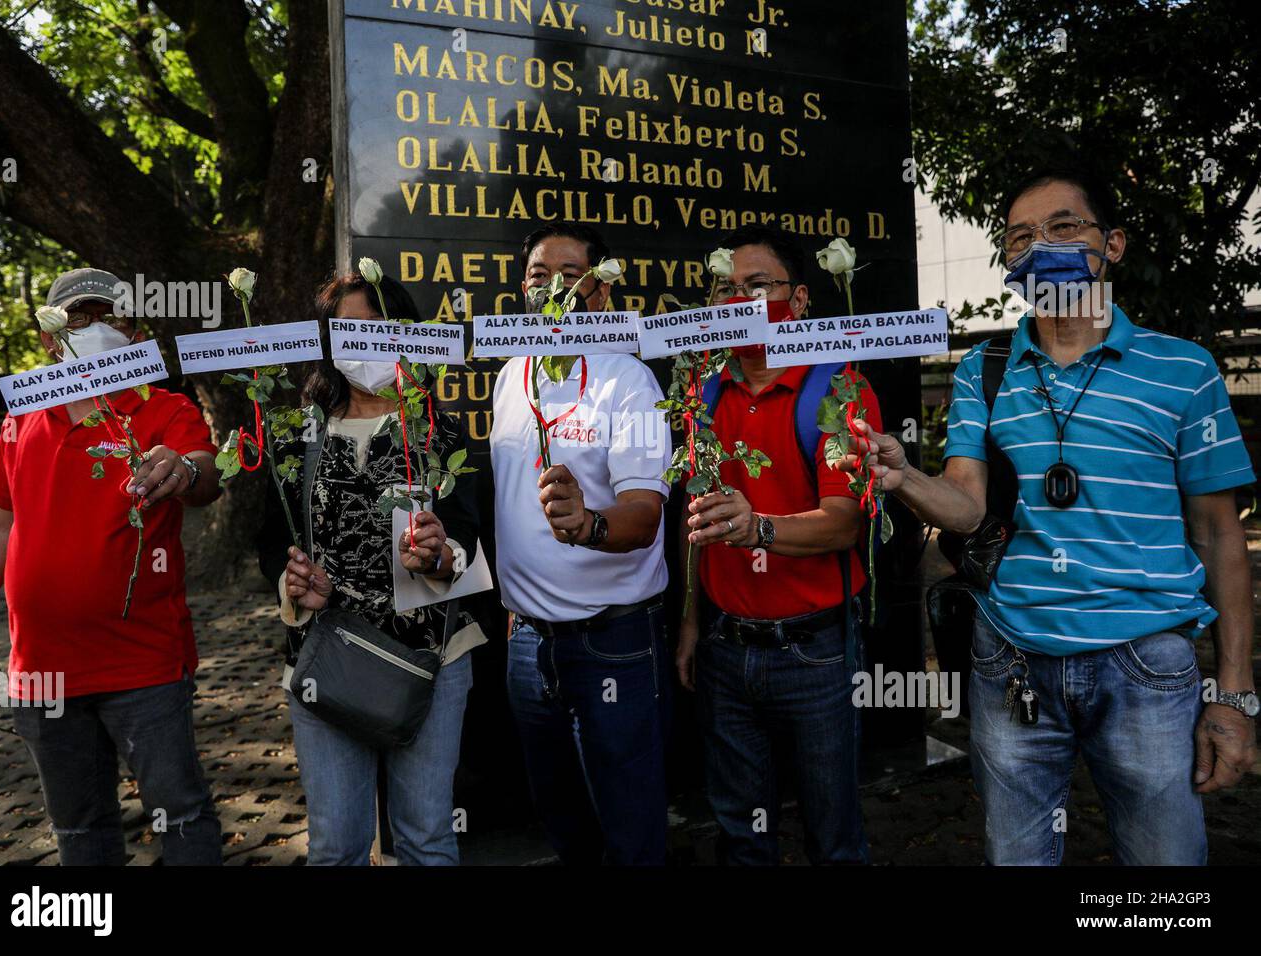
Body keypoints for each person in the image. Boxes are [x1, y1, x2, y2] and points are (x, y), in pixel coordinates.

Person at [843, 167, 1258, 865]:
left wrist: (1237, 695)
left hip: (1148, 663)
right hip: (1009, 660)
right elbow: (967, 504)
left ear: (1113, 244)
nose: (1042, 247)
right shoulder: (986, 369)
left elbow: (1221, 537)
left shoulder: (1184, 371)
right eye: (1020, 237)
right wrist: (903, 475)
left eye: (1064, 227)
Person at [0, 267, 224, 865]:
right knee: (78, 831)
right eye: (80, 318)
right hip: (43, 673)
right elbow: (2, 523)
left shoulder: (164, 408)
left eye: (115, 317)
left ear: (135, 334)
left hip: (144, 665)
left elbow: (205, 476)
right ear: (53, 338)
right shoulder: (22, 415)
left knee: (179, 817)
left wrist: (182, 471)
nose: (99, 328)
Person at [258, 270, 484, 866]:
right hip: (328, 659)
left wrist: (440, 553)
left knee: (426, 839)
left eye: (378, 328)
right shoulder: (295, 438)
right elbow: (270, 546)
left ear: (407, 333)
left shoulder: (441, 432)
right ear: (327, 342)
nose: (363, 342)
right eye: (347, 330)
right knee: (335, 845)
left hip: (431, 659)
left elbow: (469, 542)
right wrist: (293, 582)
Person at [673, 226, 880, 865]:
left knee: (832, 836)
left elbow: (846, 522)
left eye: (757, 286)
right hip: (725, 652)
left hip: (815, 653)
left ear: (803, 298)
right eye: (726, 289)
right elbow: (698, 516)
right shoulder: (701, 391)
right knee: (741, 836)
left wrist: (757, 526)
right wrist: (690, 623)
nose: (738, 300)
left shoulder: (838, 388)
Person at [492, 221, 672, 865]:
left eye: (571, 276)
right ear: (522, 289)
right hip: (527, 645)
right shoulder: (509, 375)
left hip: (612, 642)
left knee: (630, 828)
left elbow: (645, 517)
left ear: (599, 294)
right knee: (563, 824)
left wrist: (590, 524)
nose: (554, 287)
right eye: (540, 275)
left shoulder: (629, 381)